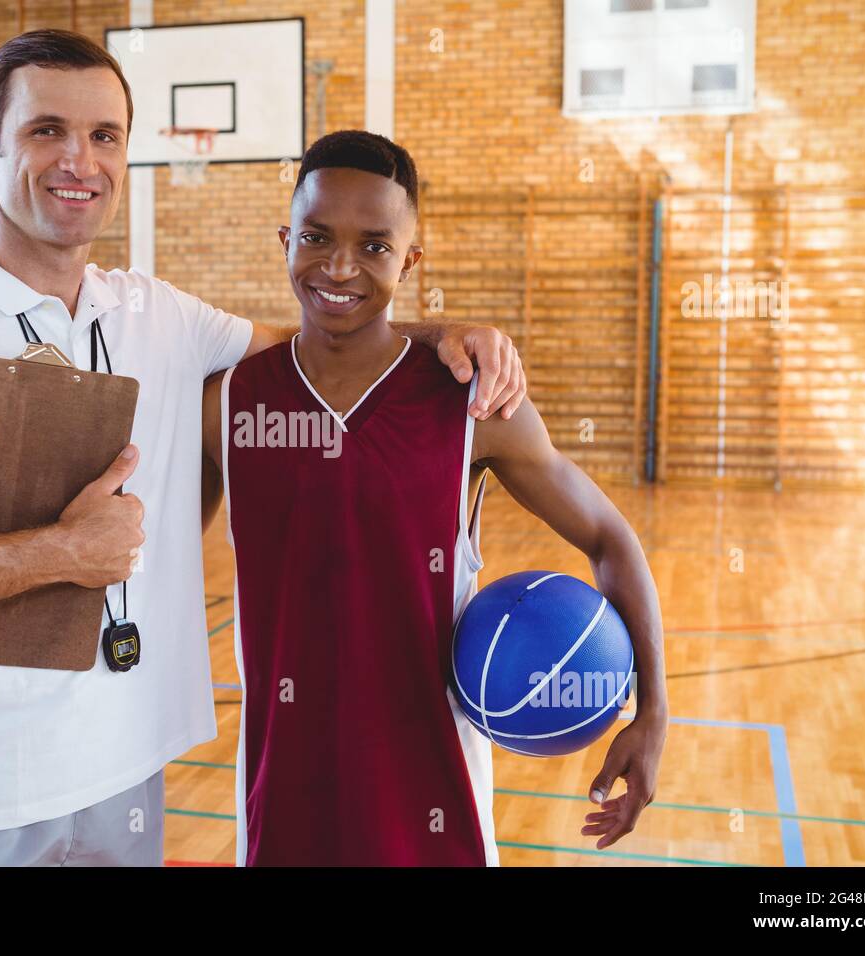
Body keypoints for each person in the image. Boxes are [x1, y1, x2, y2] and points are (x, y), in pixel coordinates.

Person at [0, 31, 528, 867]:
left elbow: (325, 339)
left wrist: (453, 334)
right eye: (46, 130)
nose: (79, 161)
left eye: (105, 137)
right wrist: (57, 553)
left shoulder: (159, 316)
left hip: (125, 785)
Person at [200, 130, 667, 866]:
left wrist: (653, 714)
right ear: (285, 238)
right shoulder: (227, 404)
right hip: (280, 789)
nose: (340, 266)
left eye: (375, 246)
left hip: (433, 796)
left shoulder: (473, 406)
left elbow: (612, 538)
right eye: (317, 237)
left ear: (410, 260)